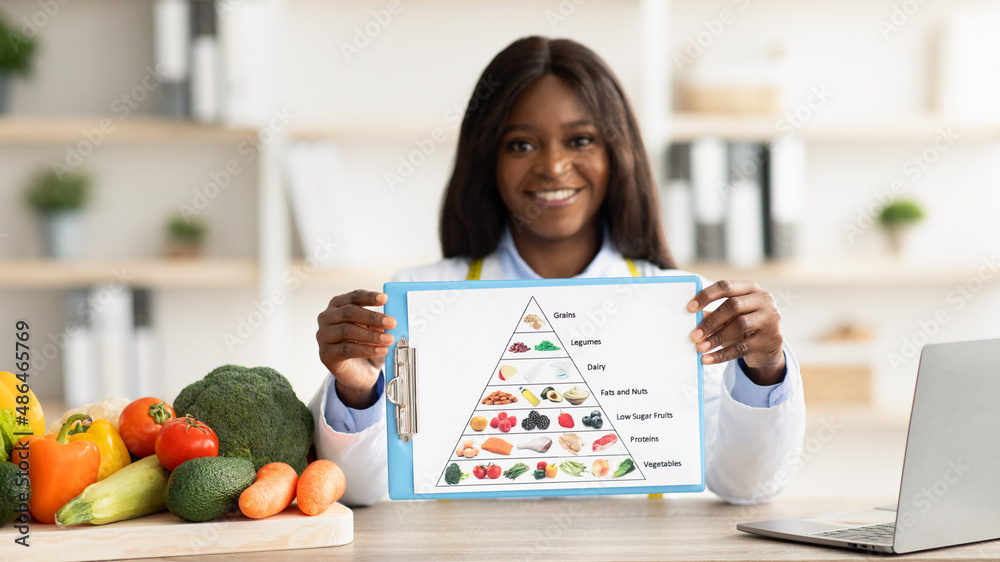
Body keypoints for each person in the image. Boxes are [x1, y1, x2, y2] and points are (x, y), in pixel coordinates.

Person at [311, 36, 805, 507]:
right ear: (488, 160)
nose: (553, 166)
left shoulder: (673, 303)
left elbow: (746, 483)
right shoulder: (419, 299)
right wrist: (357, 391)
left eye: (581, 140)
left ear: (618, 155)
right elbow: (358, 491)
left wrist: (765, 371)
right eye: (522, 145)